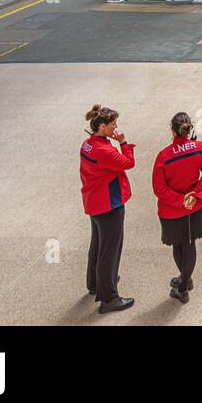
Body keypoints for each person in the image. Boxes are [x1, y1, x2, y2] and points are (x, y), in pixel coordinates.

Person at [152, 112, 202, 303]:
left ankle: (183, 286)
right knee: (190, 243)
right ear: (190, 129)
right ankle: (185, 280)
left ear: (172, 130)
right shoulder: (200, 148)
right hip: (195, 207)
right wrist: (194, 194)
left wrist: (180, 199)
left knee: (178, 245)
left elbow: (159, 188)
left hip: (171, 210)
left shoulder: (164, 156)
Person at [80, 105, 135, 314]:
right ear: (102, 127)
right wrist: (123, 142)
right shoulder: (104, 150)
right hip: (109, 205)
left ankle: (95, 283)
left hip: (94, 203)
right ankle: (109, 298)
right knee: (110, 251)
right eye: (113, 124)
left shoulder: (88, 144)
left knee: (97, 246)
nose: (116, 127)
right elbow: (128, 163)